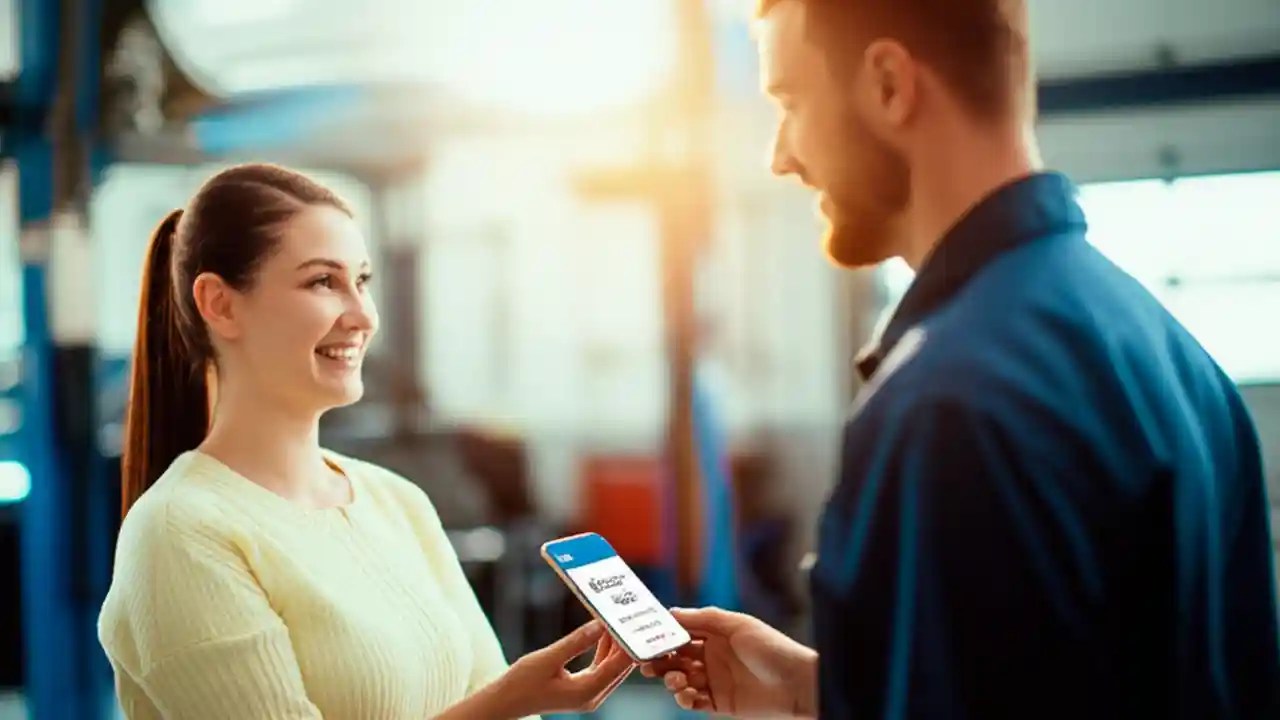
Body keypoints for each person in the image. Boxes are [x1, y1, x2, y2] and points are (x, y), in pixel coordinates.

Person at [644, 0, 1280, 717]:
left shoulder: (948, 400)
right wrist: (819, 694)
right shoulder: (1173, 355)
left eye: (791, 102)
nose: (781, 155)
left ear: (889, 84)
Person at [97, 163, 633, 720]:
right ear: (221, 304)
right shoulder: (179, 532)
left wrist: (522, 701)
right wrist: (504, 702)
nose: (362, 316)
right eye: (322, 281)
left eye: (362, 281)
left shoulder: (397, 501)